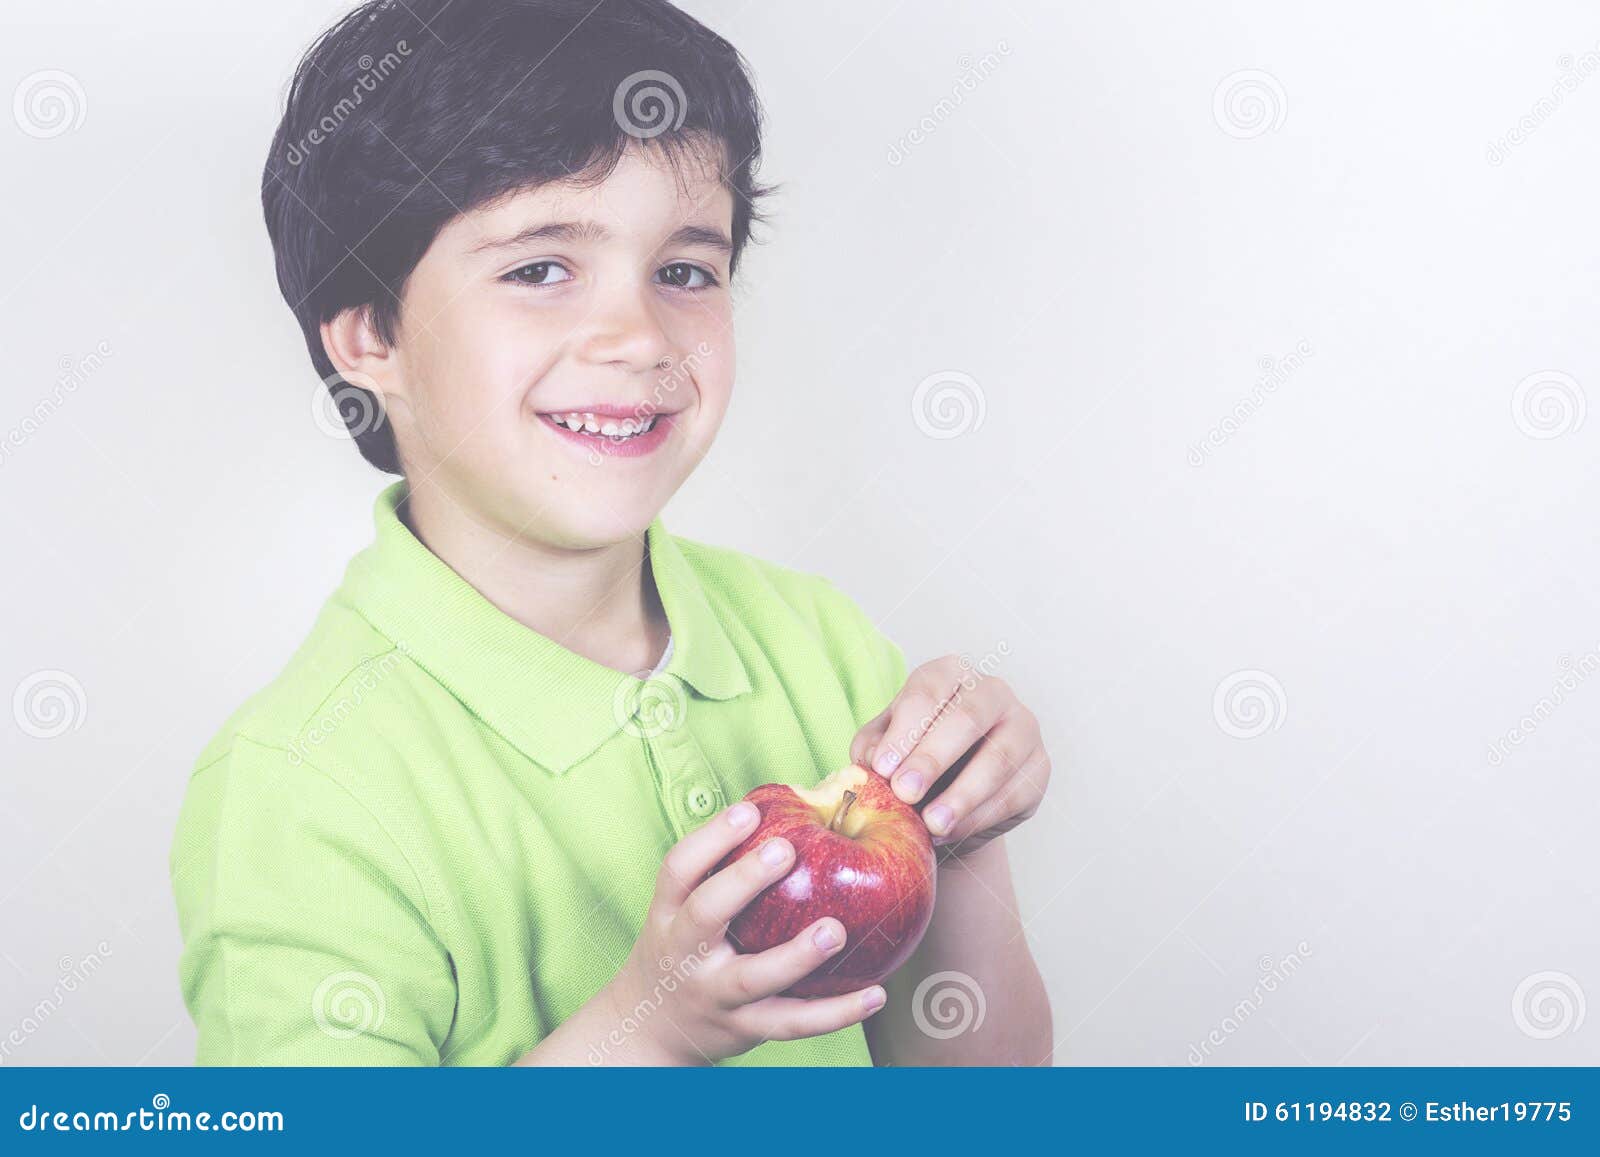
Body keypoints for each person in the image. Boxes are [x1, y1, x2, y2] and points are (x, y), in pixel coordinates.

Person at [171, 0, 1052, 1066]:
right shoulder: (298, 784)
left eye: (684, 270)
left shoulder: (820, 643)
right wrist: (652, 1028)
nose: (637, 336)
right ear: (370, 335)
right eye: (539, 268)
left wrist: (959, 837)